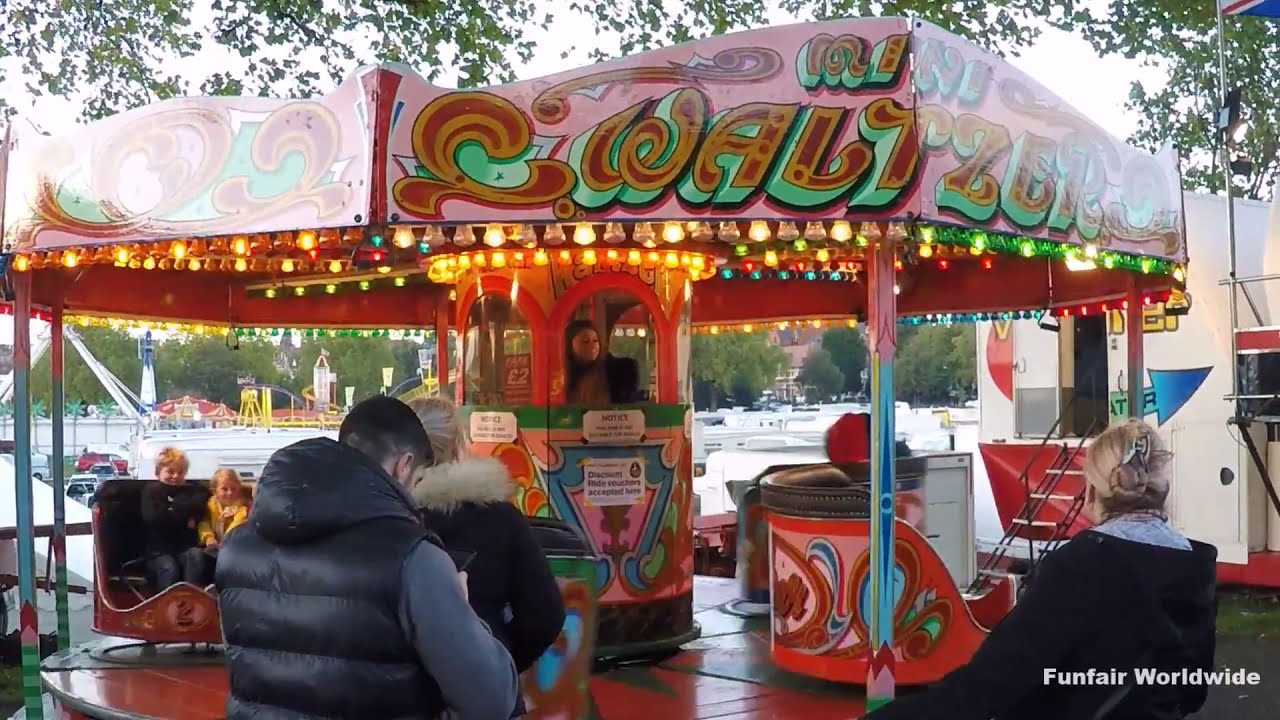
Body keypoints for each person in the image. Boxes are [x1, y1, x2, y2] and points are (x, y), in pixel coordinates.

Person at [862, 418, 1217, 720]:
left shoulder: (1080, 566)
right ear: (1161, 489)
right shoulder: (1194, 566)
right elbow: (1192, 691)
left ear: (1092, 493)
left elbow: (990, 684)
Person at [216, 395, 519, 720]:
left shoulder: (236, 546)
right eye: (417, 479)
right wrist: (463, 610)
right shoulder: (414, 558)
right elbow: (491, 701)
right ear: (403, 465)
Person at [408, 397, 565, 716]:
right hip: (486, 697)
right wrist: (498, 661)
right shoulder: (500, 518)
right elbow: (544, 616)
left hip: (400, 695)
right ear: (458, 447)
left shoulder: (383, 516)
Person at [139, 447, 206, 588]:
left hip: (185, 547)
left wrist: (171, 510)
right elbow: (154, 518)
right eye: (170, 471)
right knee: (169, 567)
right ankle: (167, 601)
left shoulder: (193, 491)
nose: (175, 476)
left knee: (196, 556)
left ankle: (192, 596)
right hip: (158, 552)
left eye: (180, 472)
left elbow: (199, 509)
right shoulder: (152, 491)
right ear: (158, 473)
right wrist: (185, 517)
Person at [564, 319, 611, 405]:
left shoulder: (606, 372)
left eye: (596, 341)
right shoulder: (563, 373)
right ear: (569, 344)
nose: (593, 346)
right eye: (585, 341)